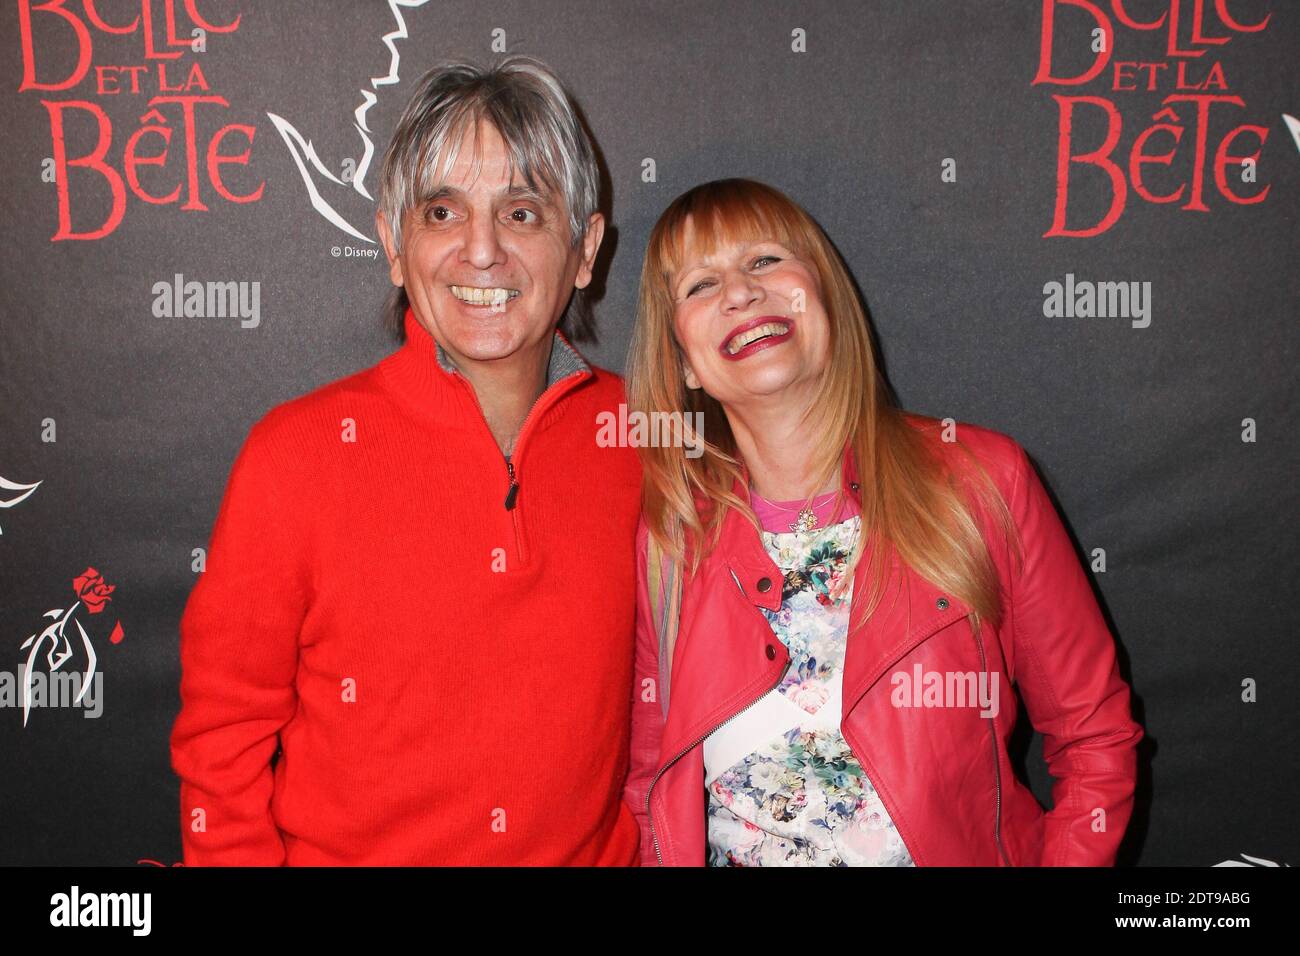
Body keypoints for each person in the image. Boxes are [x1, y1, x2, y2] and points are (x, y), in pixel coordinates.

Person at [170, 55, 643, 865]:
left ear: (586, 248)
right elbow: (223, 745)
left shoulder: (652, 438)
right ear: (394, 245)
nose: (483, 250)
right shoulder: (294, 456)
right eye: (442, 211)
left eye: (523, 212)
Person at [622, 178, 1143, 866]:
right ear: (684, 361)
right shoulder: (670, 542)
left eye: (765, 261)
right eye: (699, 284)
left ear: (827, 295)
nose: (740, 294)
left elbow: (1094, 736)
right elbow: (651, 785)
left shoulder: (980, 482)